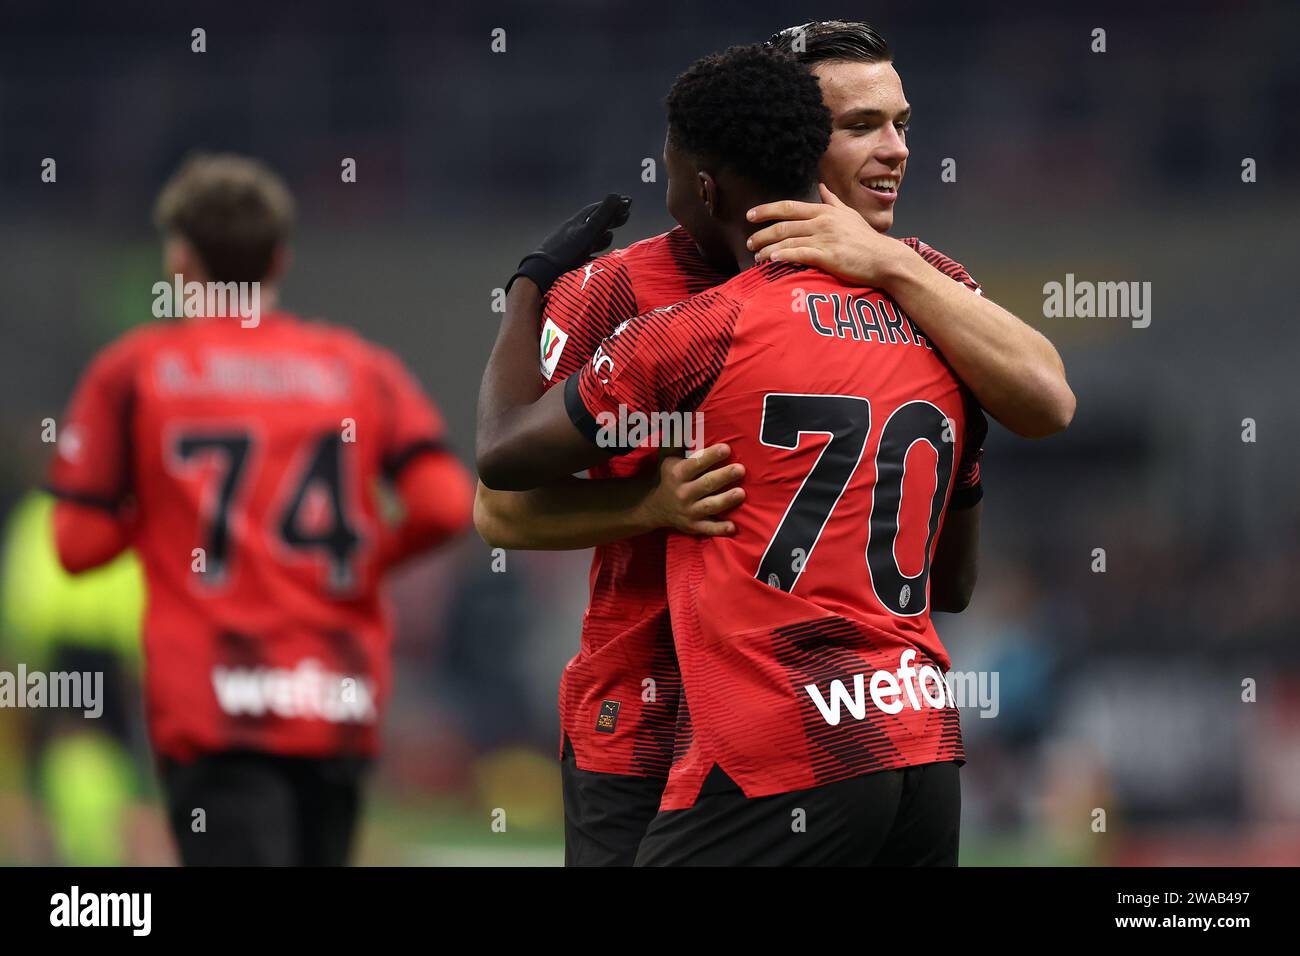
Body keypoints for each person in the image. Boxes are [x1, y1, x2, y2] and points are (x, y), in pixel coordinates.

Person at [477, 21, 1072, 865]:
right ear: (790, 136)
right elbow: (499, 511)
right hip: (646, 723)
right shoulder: (617, 290)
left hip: (796, 730)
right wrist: (648, 506)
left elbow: (1046, 404)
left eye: (902, 123)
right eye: (861, 125)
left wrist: (889, 264)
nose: (896, 149)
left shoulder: (925, 284)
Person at [47, 153, 473, 865]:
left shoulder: (136, 371)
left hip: (214, 702)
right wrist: (363, 557)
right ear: (280, 260)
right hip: (333, 694)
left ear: (179, 261)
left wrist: (163, 509)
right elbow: (446, 504)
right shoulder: (356, 368)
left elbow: (75, 544)